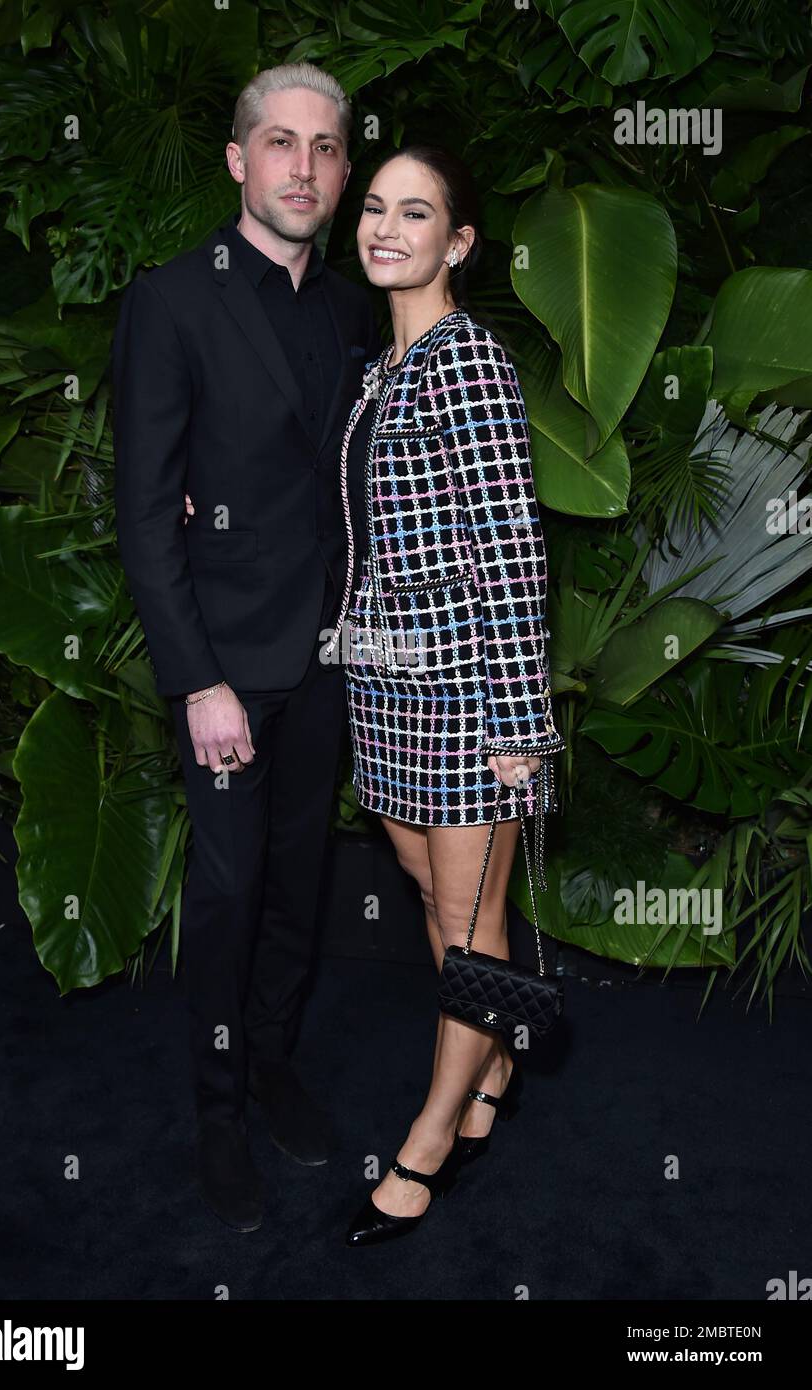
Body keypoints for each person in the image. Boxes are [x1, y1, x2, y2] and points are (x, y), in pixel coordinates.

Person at [111, 62, 380, 1234]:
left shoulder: (346, 306)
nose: (304, 167)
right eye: (281, 143)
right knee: (224, 900)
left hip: (327, 660)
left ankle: (272, 1064)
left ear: (343, 168)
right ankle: (218, 1111)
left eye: (326, 148)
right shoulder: (172, 299)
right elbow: (141, 509)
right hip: (226, 672)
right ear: (239, 161)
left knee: (300, 887)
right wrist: (197, 681)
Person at [322, 145, 566, 1245]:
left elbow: (511, 553)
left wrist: (518, 726)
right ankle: (500, 1052)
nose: (385, 226)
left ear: (457, 243)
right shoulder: (387, 369)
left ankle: (431, 1141)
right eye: (374, 207)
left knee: (467, 933)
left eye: (414, 213)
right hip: (385, 691)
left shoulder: (469, 361)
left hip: (468, 698)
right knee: (435, 898)